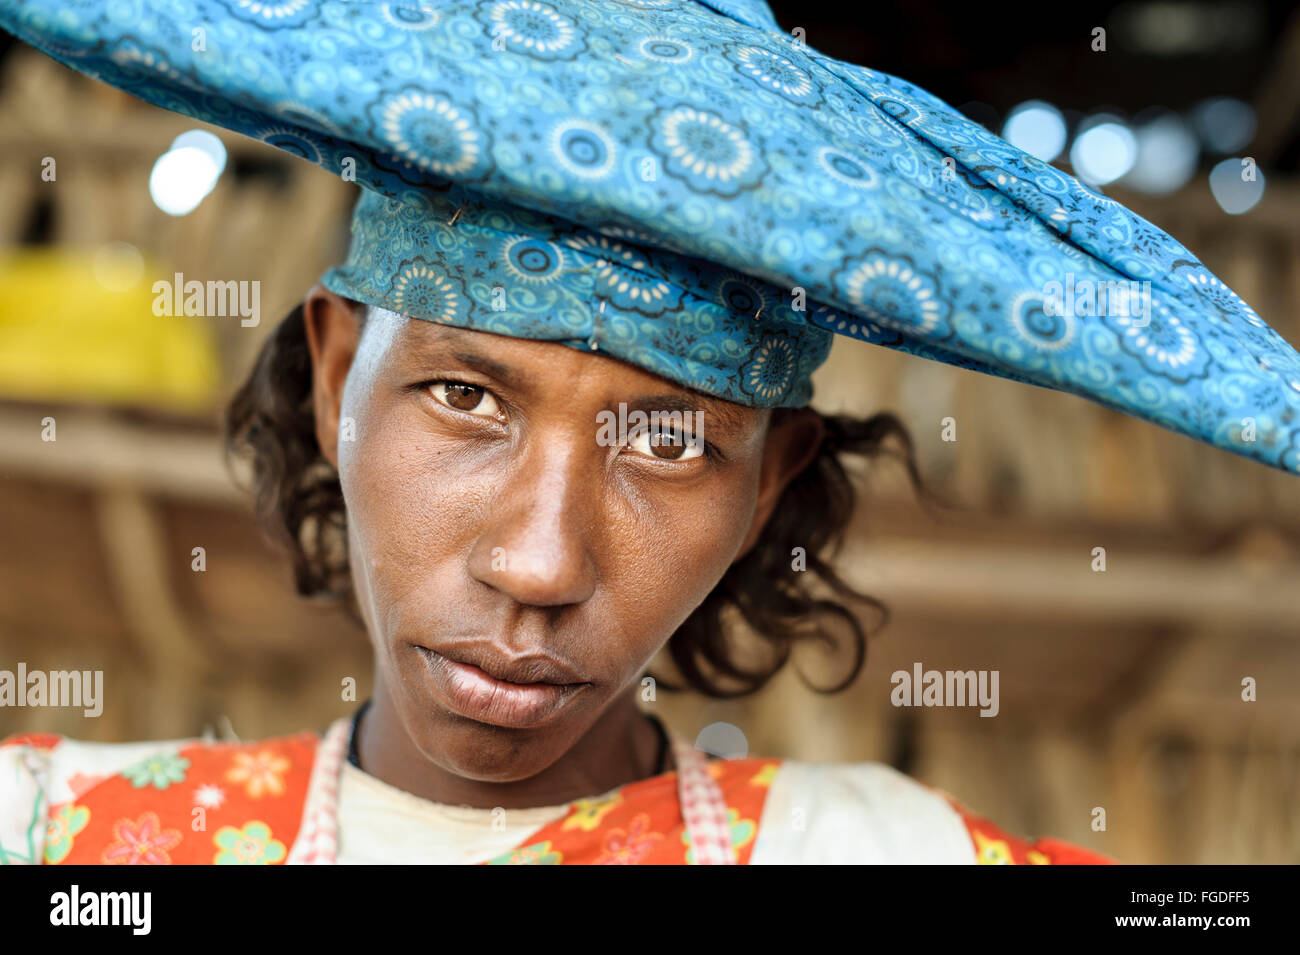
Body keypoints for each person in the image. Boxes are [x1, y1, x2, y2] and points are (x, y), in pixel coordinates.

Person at [2, 0, 1296, 865]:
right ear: (340, 371)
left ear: (767, 485)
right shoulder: (60, 837)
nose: (541, 565)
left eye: (670, 441)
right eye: (467, 397)